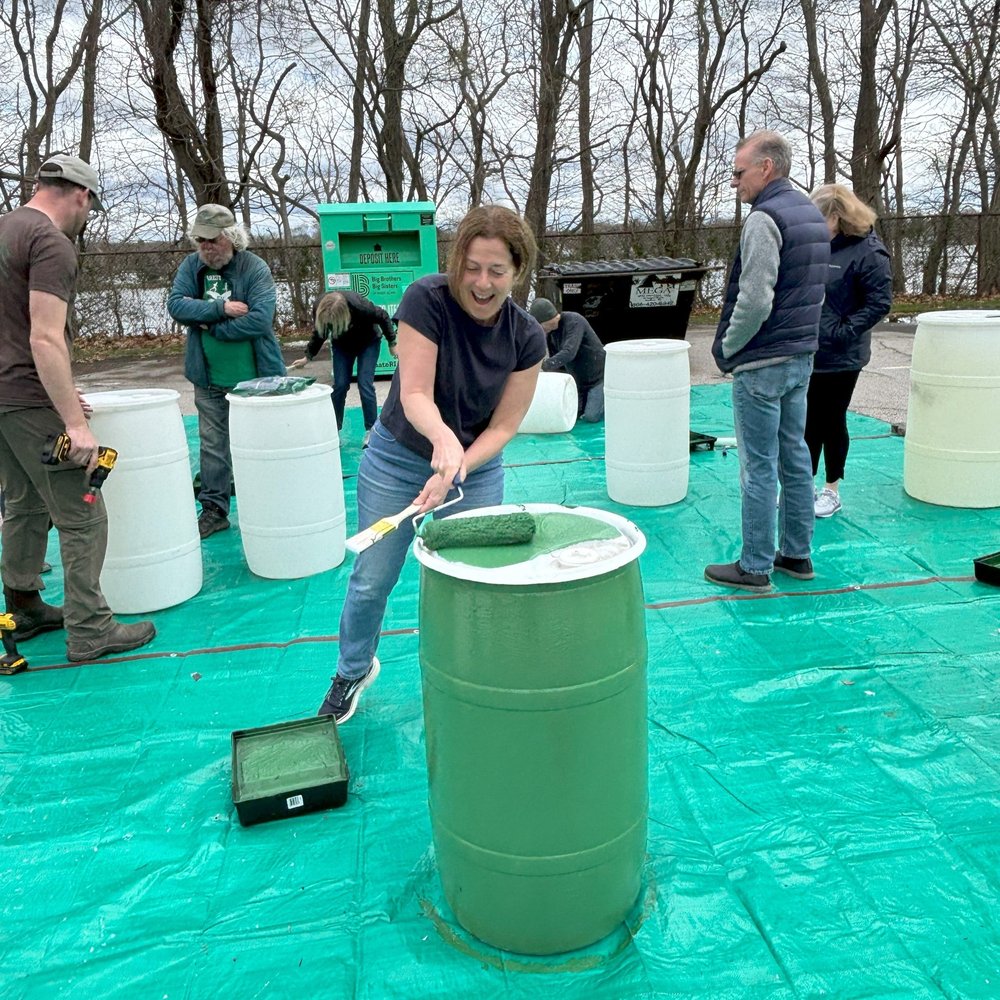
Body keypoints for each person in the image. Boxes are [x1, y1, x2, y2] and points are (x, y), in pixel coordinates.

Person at [317, 204, 546, 722]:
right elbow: (415, 392)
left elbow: (504, 428)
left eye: (496, 271)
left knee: (472, 577)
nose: (481, 282)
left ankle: (470, 670)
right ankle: (353, 669)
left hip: (477, 469)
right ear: (457, 260)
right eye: (472, 266)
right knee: (372, 576)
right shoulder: (426, 299)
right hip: (397, 458)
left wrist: (458, 465)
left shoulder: (527, 337)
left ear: (517, 273)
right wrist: (443, 443)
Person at [0, 154, 156, 660]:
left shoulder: (5, 229)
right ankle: (90, 629)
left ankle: (22, 604)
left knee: (23, 501)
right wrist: (71, 419)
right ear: (81, 195)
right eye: (90, 207)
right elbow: (45, 338)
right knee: (82, 514)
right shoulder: (50, 243)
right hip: (26, 394)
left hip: (4, 400)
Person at [704, 130, 831, 592]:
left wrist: (728, 349)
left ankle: (755, 566)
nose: (735, 182)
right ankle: (797, 555)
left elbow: (755, 300)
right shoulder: (811, 214)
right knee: (795, 459)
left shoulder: (764, 219)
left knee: (759, 466)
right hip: (801, 357)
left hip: (762, 363)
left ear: (766, 168)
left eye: (739, 173)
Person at [167, 203, 285, 539]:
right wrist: (221, 308)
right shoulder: (192, 267)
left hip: (258, 381)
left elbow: (260, 319)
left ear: (231, 237)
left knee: (263, 444)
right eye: (200, 241)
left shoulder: (254, 268)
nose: (206, 247)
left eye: (212, 240)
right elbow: (176, 305)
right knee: (212, 446)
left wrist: (212, 326)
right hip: (209, 379)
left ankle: (268, 505)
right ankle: (215, 511)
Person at [806, 184, 893, 518]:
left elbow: (879, 302)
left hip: (843, 355)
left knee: (831, 419)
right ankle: (805, 485)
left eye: (819, 219)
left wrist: (843, 330)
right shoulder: (818, 246)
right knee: (807, 421)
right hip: (811, 350)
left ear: (837, 216)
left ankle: (832, 489)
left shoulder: (869, 252)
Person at [288, 290, 397, 447]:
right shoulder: (320, 307)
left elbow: (383, 316)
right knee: (340, 386)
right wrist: (308, 356)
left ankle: (371, 431)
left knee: (364, 383)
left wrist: (392, 342)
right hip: (342, 345)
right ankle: (333, 430)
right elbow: (320, 333)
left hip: (368, 342)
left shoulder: (360, 307)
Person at [527, 297, 606, 421]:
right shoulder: (551, 332)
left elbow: (569, 353)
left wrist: (543, 366)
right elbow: (555, 360)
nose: (541, 330)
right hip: (578, 382)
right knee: (572, 415)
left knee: (591, 417)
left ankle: (609, 401)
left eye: (541, 326)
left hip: (598, 378)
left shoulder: (574, 321)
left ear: (548, 320)